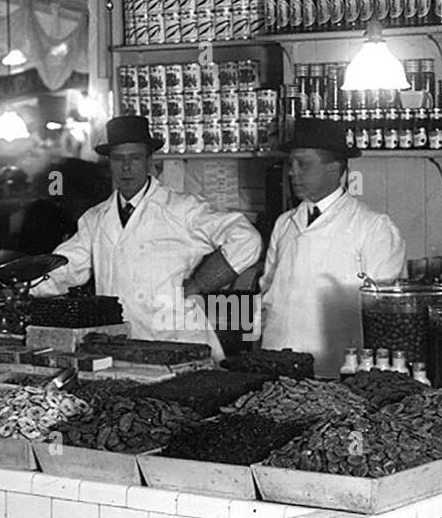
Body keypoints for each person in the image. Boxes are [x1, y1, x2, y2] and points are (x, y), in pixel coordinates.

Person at [33, 115, 261, 358]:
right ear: (109, 163)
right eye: (119, 159)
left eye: (135, 158)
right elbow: (64, 268)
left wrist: (199, 284)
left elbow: (246, 238)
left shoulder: (182, 209)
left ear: (149, 161)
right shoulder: (96, 219)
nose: (126, 167)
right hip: (121, 345)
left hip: (179, 343)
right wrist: (21, 286)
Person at [258, 116, 406, 376]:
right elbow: (268, 292)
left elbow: (384, 314)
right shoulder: (284, 224)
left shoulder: (373, 227)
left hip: (335, 368)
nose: (292, 172)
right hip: (276, 363)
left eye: (302, 164)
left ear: (334, 168)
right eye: (290, 164)